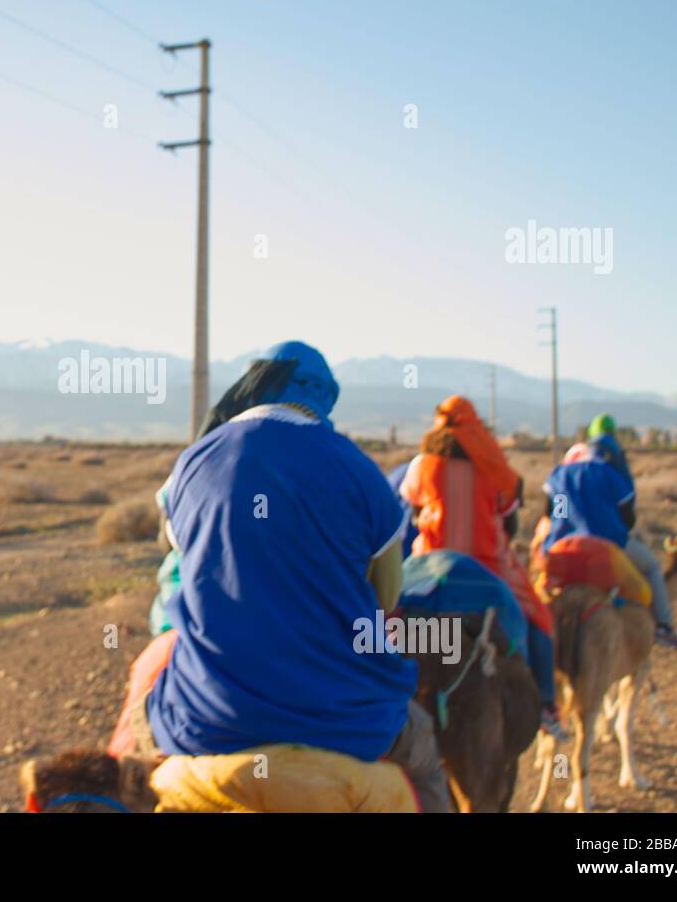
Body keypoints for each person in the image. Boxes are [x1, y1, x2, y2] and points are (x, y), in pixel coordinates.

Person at [146, 341, 451, 812]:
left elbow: (180, 560)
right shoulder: (358, 469)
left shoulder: (193, 463)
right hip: (344, 716)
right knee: (425, 750)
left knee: (133, 742)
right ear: (324, 394)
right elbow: (386, 596)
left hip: (205, 713)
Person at [399, 396, 564, 739]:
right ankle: (546, 702)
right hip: (487, 564)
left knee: (380, 618)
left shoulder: (422, 465)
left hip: (430, 568)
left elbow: (413, 510)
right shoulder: (494, 466)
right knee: (538, 621)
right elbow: (509, 522)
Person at [542, 432, 677, 651]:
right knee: (651, 566)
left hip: (562, 549)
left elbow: (554, 512)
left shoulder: (560, 476)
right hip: (606, 546)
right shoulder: (610, 474)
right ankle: (663, 626)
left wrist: (569, 524)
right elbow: (628, 518)